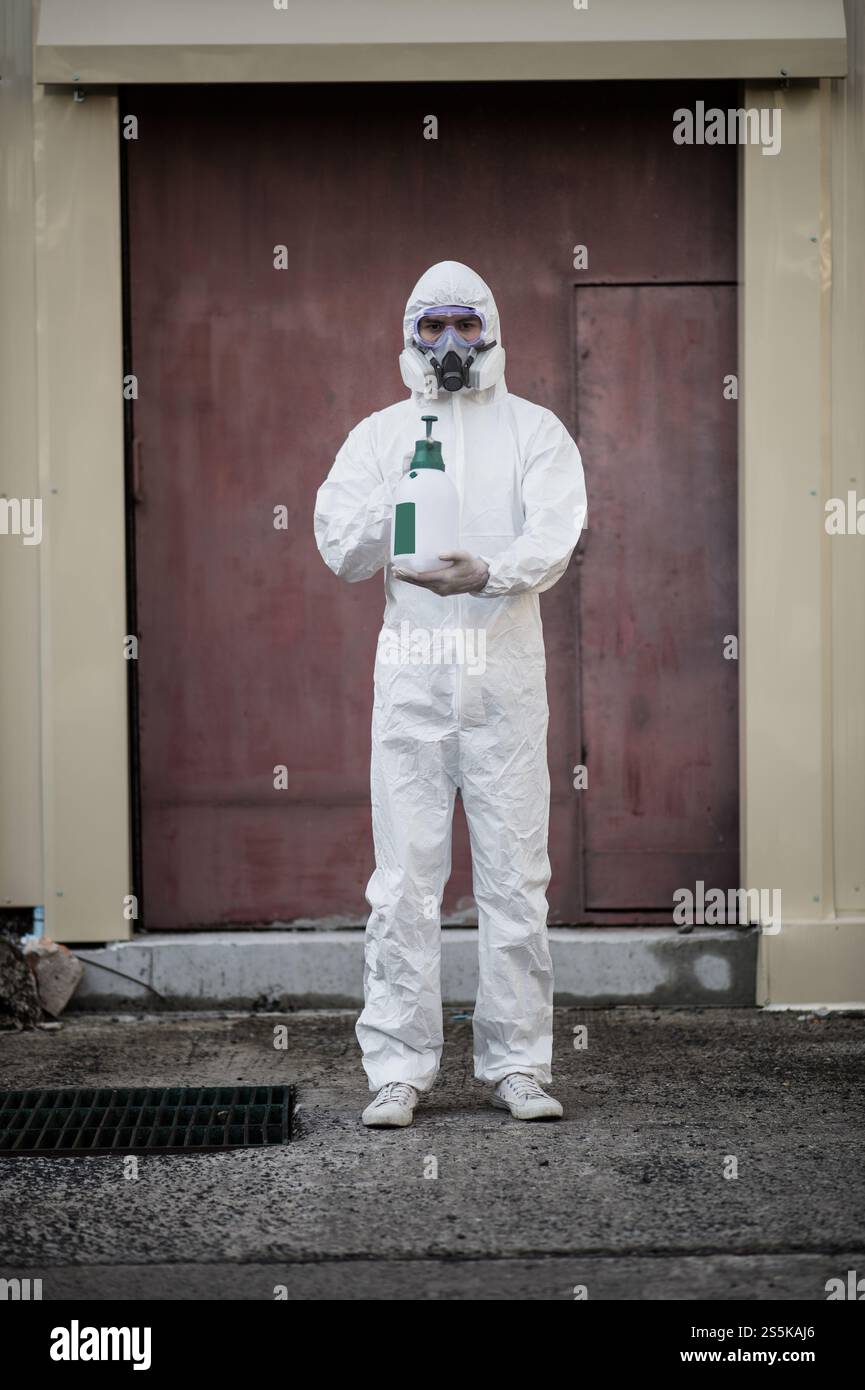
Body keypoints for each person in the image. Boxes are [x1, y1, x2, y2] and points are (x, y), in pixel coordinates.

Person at [314, 261, 587, 1126]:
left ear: (492, 330)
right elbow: (339, 547)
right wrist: (399, 502)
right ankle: (398, 1066)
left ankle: (517, 1065)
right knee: (403, 883)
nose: (450, 343)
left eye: (465, 324)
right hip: (413, 688)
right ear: (409, 336)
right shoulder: (380, 435)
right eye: (431, 326)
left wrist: (488, 571)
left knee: (515, 882)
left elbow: (555, 534)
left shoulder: (532, 432)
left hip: (504, 687)